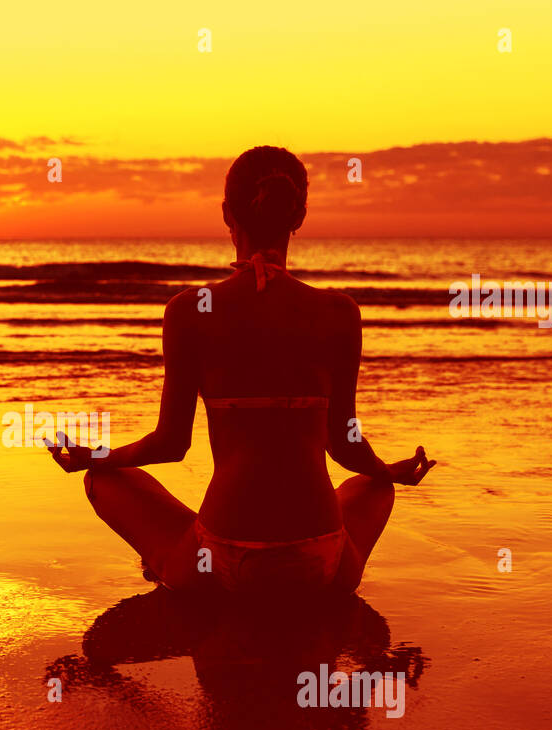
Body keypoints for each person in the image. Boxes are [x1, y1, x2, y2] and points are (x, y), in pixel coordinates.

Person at [47, 145, 436, 595]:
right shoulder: (338, 312)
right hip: (323, 564)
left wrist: (96, 457)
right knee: (375, 486)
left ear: (227, 213)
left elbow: (172, 445)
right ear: (300, 216)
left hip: (221, 560)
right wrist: (392, 470)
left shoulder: (190, 310)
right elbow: (345, 445)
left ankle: (178, 563)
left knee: (103, 481)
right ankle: (293, 578)